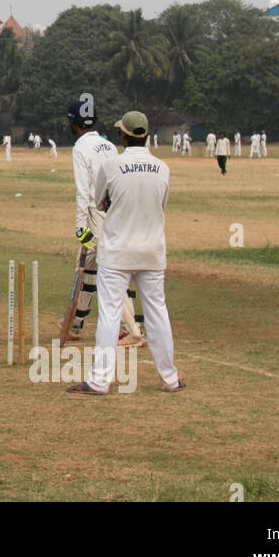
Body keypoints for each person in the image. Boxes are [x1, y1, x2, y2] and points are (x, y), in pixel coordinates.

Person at [69, 111, 182, 395]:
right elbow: (161, 204)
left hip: (117, 251)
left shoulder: (112, 166)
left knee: (110, 313)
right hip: (151, 251)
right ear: (145, 134)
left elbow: (99, 201)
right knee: (157, 313)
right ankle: (169, 379)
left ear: (123, 135)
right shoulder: (163, 168)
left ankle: (99, 381)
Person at [64, 101, 144, 346]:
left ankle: (133, 330)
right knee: (91, 268)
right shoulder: (109, 145)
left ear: (73, 123)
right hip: (113, 214)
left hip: (93, 219)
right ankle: (75, 324)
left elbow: (83, 192)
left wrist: (80, 227)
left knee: (107, 275)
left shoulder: (80, 148)